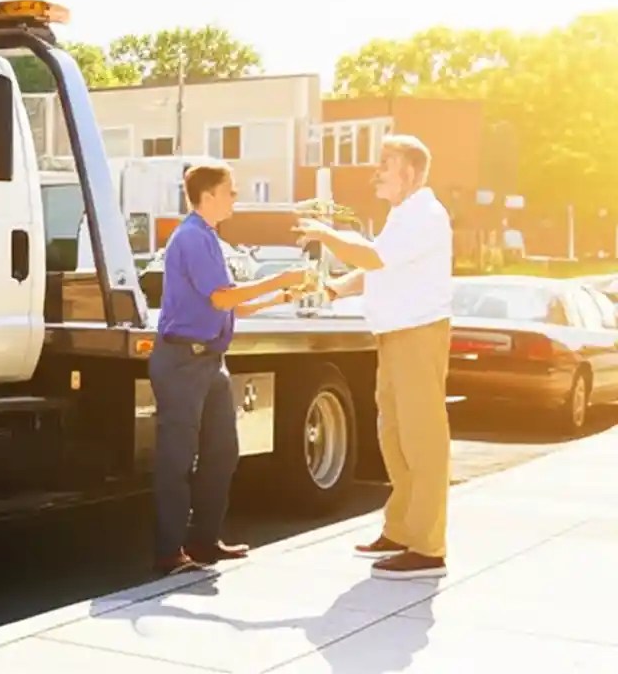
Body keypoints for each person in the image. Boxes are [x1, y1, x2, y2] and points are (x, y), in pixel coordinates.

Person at [292, 134, 454, 580]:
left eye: (386, 163)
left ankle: (428, 548)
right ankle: (401, 530)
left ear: (410, 172)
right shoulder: (403, 216)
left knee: (422, 441)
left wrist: (325, 232)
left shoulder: (425, 214)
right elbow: (377, 267)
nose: (377, 172)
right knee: (395, 437)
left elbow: (373, 256)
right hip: (396, 335)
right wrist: (336, 288)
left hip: (418, 334)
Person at [150, 162, 310, 576]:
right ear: (208, 195)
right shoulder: (192, 237)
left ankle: (204, 542)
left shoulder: (208, 237)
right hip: (183, 361)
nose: (236, 198)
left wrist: (282, 297)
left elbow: (229, 304)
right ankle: (169, 551)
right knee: (177, 458)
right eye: (231, 191)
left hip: (209, 361)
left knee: (222, 452)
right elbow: (221, 298)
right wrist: (279, 279)